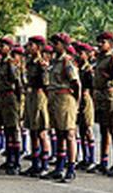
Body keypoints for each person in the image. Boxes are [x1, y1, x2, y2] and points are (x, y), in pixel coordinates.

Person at [46, 37, 82, 183]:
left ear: (64, 45)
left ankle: (71, 169)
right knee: (59, 133)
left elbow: (76, 84)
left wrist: (76, 103)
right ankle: (59, 168)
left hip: (65, 98)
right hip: (55, 98)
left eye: (56, 43)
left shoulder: (68, 62)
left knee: (69, 134)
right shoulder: (55, 62)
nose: (53, 46)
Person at [91, 31, 113, 175]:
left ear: (111, 44)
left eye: (103, 42)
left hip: (109, 94)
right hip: (100, 94)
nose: (99, 44)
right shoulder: (99, 58)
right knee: (103, 129)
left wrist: (108, 78)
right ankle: (103, 161)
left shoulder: (112, 59)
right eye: (99, 42)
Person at [0, 44, 26, 174]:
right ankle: (9, 160)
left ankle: (16, 162)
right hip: (2, 97)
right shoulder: (2, 63)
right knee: (6, 130)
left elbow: (16, 82)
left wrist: (18, 102)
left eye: (3, 45)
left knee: (13, 130)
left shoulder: (10, 64)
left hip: (10, 97)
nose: (0, 48)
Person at [22, 36, 51, 177]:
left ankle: (44, 164)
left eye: (31, 45)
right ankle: (35, 163)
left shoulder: (41, 64)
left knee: (41, 131)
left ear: (38, 47)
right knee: (32, 131)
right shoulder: (29, 62)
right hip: (31, 95)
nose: (28, 47)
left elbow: (46, 84)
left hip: (39, 96)